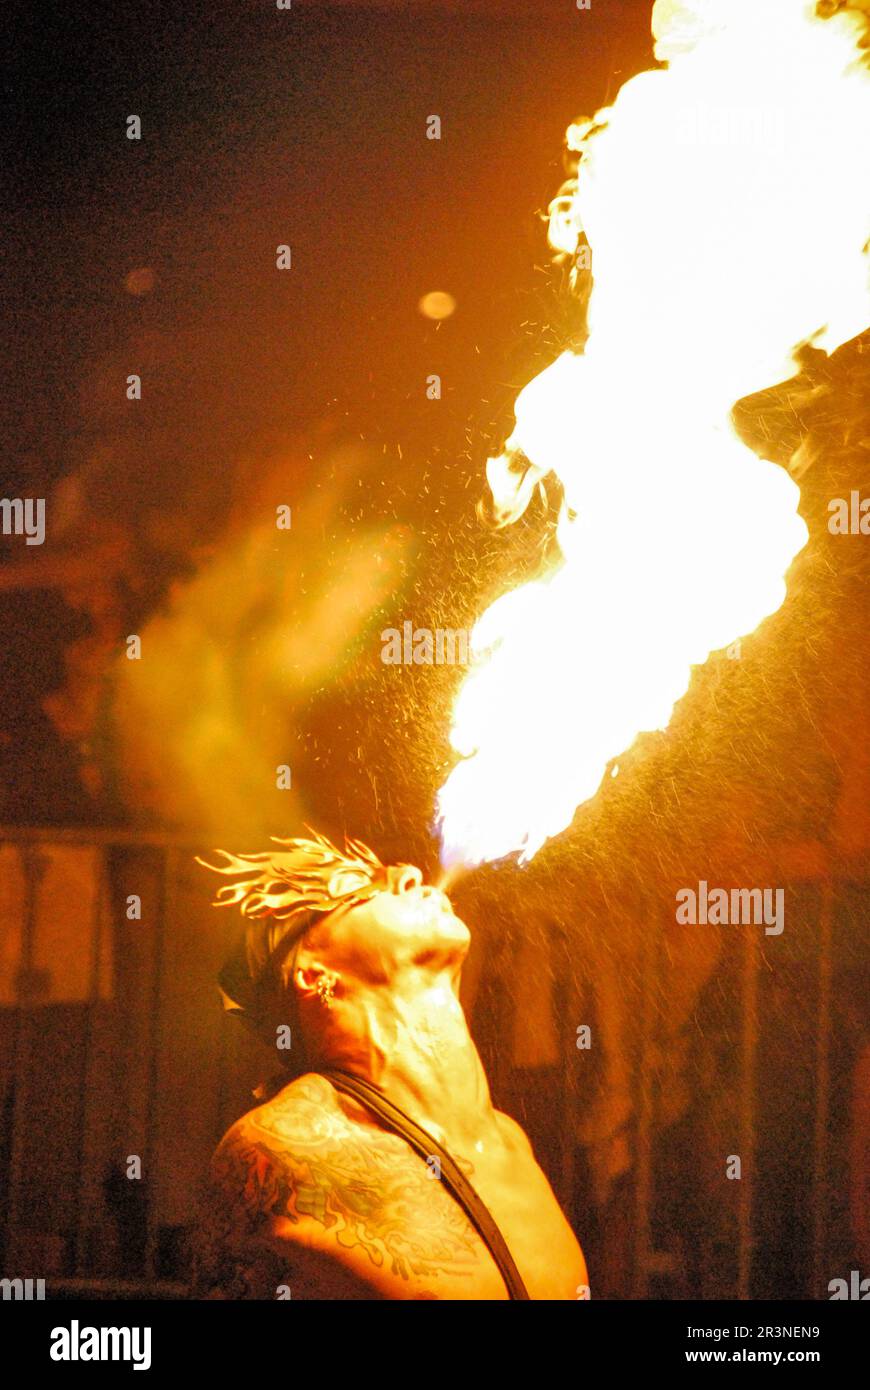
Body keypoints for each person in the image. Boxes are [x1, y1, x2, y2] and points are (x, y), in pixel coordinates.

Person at [192, 831, 588, 1300]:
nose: (406, 874)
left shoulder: (508, 1139)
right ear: (315, 975)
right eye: (356, 888)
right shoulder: (284, 1146)